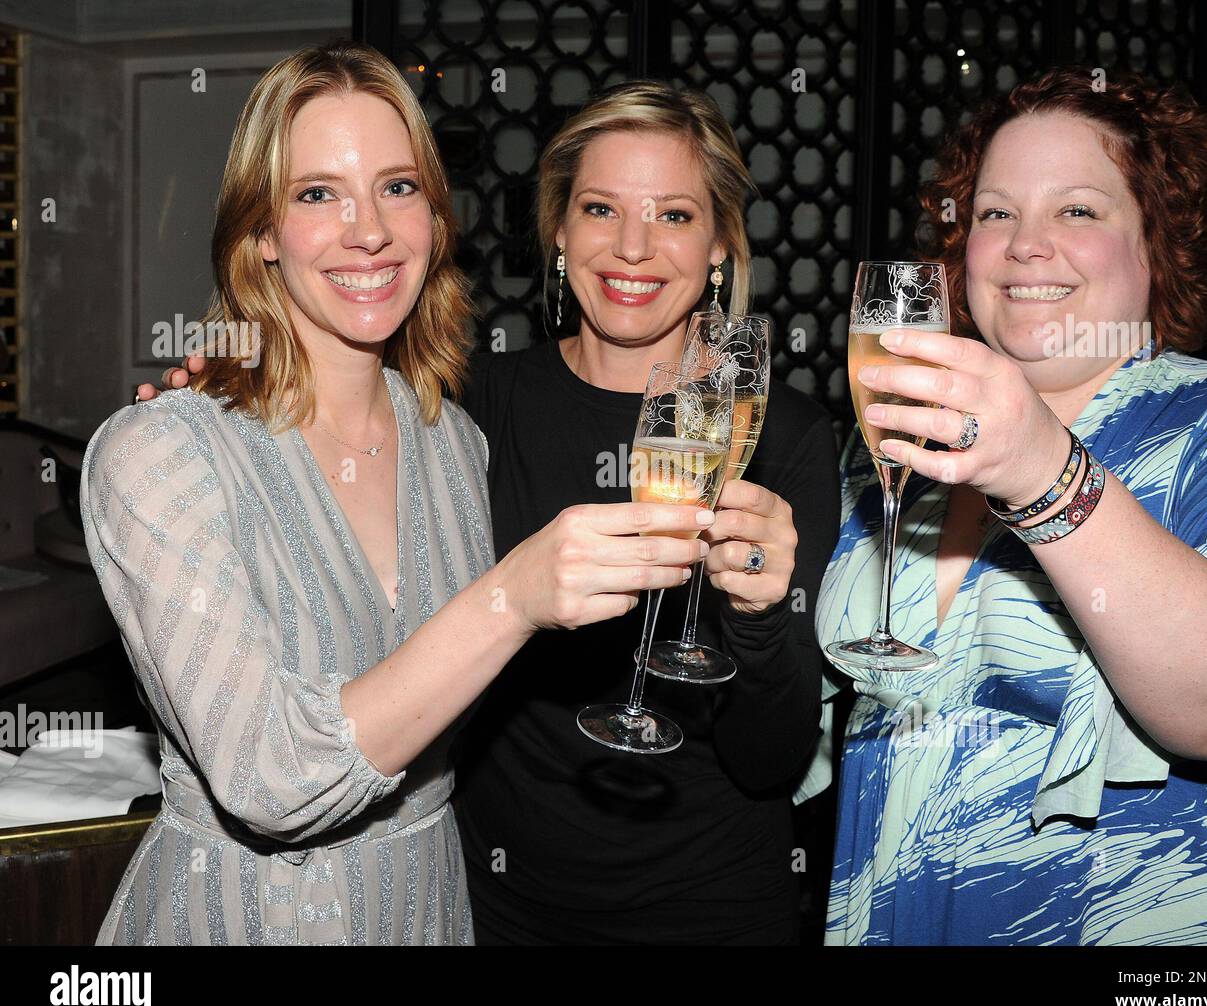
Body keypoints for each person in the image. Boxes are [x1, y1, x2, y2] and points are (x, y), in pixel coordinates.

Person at [146, 80, 842, 944]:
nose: (633, 247)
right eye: (599, 208)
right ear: (558, 231)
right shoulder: (467, 410)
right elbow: (324, 414)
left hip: (713, 905)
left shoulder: (784, 438)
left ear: (720, 248)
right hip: (493, 904)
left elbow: (771, 760)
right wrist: (224, 382)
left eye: (674, 214)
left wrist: (761, 615)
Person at [816, 67, 1207, 945]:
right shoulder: (894, 444)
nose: (1025, 244)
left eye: (1077, 210)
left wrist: (1043, 469)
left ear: (1158, 239)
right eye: (996, 212)